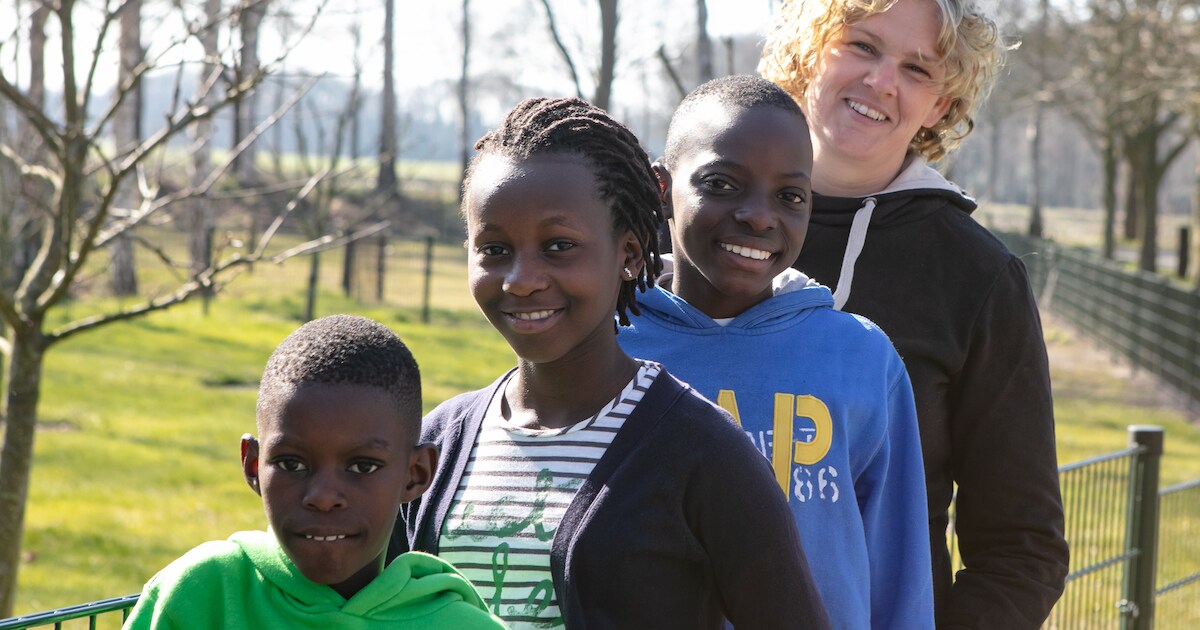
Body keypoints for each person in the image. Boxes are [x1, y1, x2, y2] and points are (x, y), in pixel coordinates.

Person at [388, 97, 831, 630]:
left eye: (558, 246)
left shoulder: (703, 452)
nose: (521, 278)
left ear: (629, 254)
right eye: (495, 249)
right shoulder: (437, 443)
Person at [759, 1, 1070, 627]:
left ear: (942, 108)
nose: (881, 81)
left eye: (918, 69)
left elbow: (1021, 547)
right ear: (807, 50)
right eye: (863, 46)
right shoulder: (688, 231)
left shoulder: (976, 277)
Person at [620, 74, 933, 629]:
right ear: (661, 191)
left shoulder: (861, 357)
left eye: (790, 196)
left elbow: (898, 571)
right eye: (721, 184)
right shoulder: (608, 344)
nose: (760, 216)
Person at [124, 315, 507, 629]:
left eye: (362, 466)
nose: (323, 496)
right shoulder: (202, 595)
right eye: (292, 464)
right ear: (254, 465)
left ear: (416, 474)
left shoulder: (460, 624)